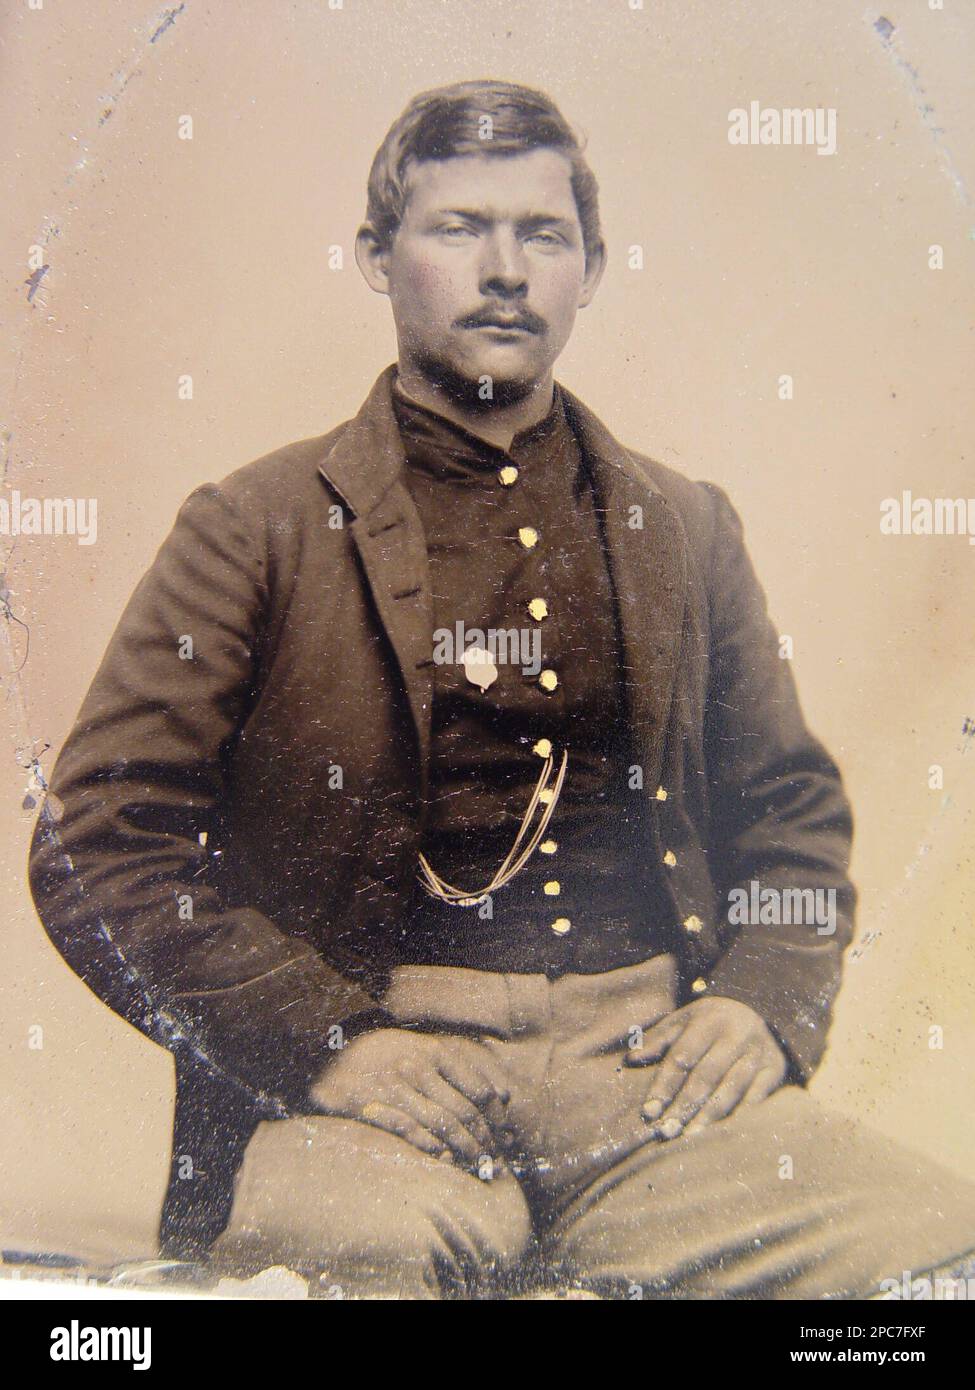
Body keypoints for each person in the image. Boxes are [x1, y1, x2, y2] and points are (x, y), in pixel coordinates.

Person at [29, 79, 975, 1299]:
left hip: (643, 1083)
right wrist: (326, 1043)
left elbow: (790, 814)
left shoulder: (683, 526)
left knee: (933, 1255)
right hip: (378, 1089)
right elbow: (99, 843)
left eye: (543, 234)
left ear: (593, 266)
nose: (506, 270)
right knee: (348, 1268)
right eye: (458, 228)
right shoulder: (254, 527)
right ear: (378, 257)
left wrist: (763, 1002)